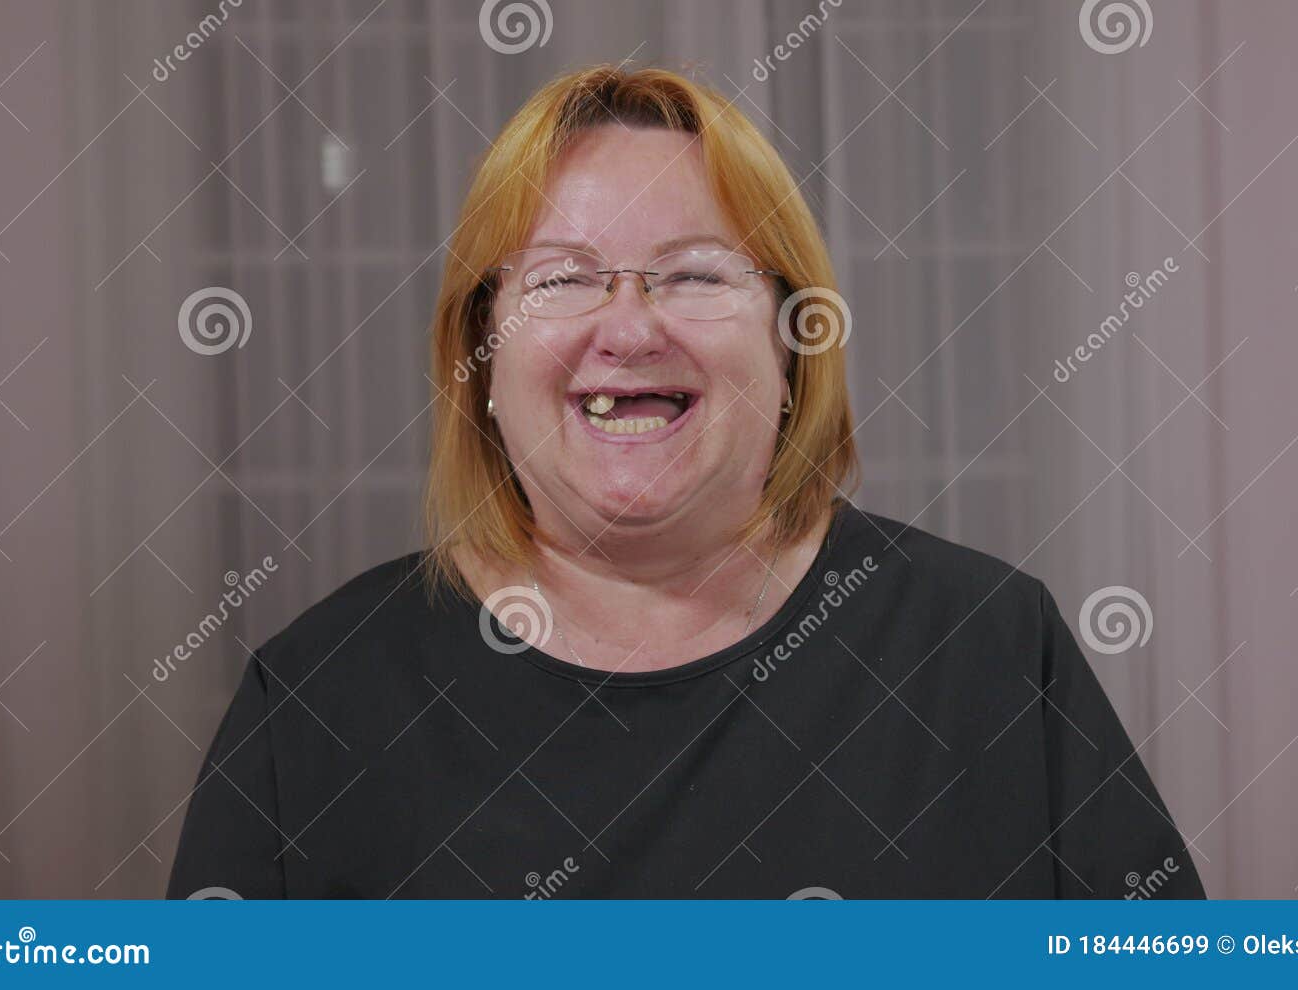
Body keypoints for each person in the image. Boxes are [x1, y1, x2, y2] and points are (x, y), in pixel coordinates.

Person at [166, 64, 1203, 899]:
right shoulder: (316, 697)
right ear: (478, 354)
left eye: (696, 273)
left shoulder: (985, 647)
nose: (626, 328)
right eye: (561, 278)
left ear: (793, 342)